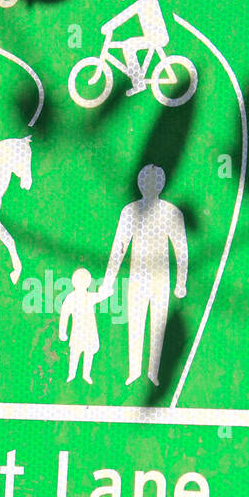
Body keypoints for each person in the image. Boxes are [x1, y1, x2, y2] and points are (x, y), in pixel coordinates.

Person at [102, 165, 187, 386]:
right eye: (145, 182)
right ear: (140, 184)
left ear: (161, 184)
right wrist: (109, 281)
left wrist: (181, 282)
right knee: (136, 324)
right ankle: (134, 371)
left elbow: (181, 249)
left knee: (159, 326)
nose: (149, 186)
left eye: (154, 182)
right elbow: (119, 247)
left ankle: (153, 372)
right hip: (138, 278)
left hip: (161, 280)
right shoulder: (130, 212)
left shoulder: (171, 213)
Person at [99, 0, 170, 94]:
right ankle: (138, 79)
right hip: (151, 36)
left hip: (157, 37)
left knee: (128, 46)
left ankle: (138, 83)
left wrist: (109, 26)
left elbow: (126, 14)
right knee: (128, 43)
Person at [59, 268, 104, 384]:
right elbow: (64, 315)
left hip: (89, 331)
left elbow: (100, 296)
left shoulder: (89, 296)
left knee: (89, 353)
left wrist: (106, 291)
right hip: (77, 331)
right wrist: (62, 331)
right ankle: (71, 374)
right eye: (79, 281)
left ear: (88, 283)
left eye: (84, 281)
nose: (81, 284)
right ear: (74, 282)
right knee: (75, 352)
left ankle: (86, 374)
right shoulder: (71, 298)